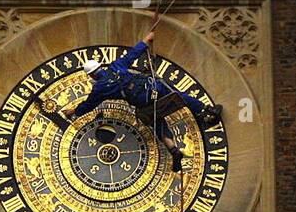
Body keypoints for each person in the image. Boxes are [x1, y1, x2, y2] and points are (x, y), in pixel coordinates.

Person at [64, 31, 223, 172]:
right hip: (153, 88)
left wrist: (74, 111)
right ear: (101, 67)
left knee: (158, 123)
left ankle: (173, 149)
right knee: (179, 96)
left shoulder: (100, 89)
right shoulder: (116, 67)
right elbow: (132, 54)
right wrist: (146, 40)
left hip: (143, 103)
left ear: (91, 76)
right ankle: (206, 110)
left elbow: (88, 105)